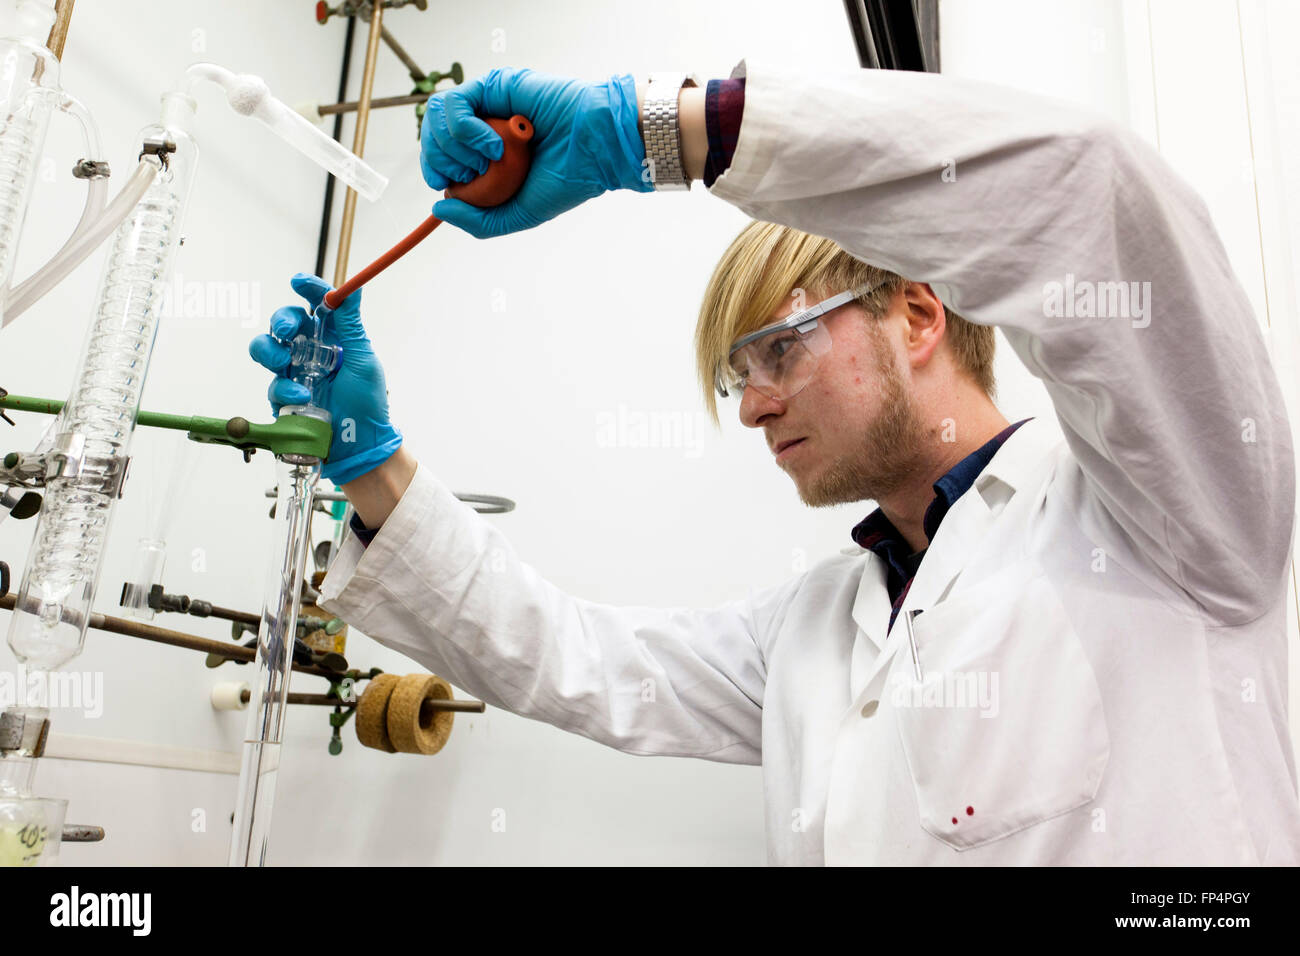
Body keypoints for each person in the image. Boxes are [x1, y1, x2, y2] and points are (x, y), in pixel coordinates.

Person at [250, 64, 1300, 865]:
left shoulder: (1165, 518)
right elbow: (579, 658)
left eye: (778, 351)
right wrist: (371, 463)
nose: (751, 406)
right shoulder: (812, 624)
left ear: (919, 315)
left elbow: (1087, 195)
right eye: (735, 375)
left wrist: (662, 129)